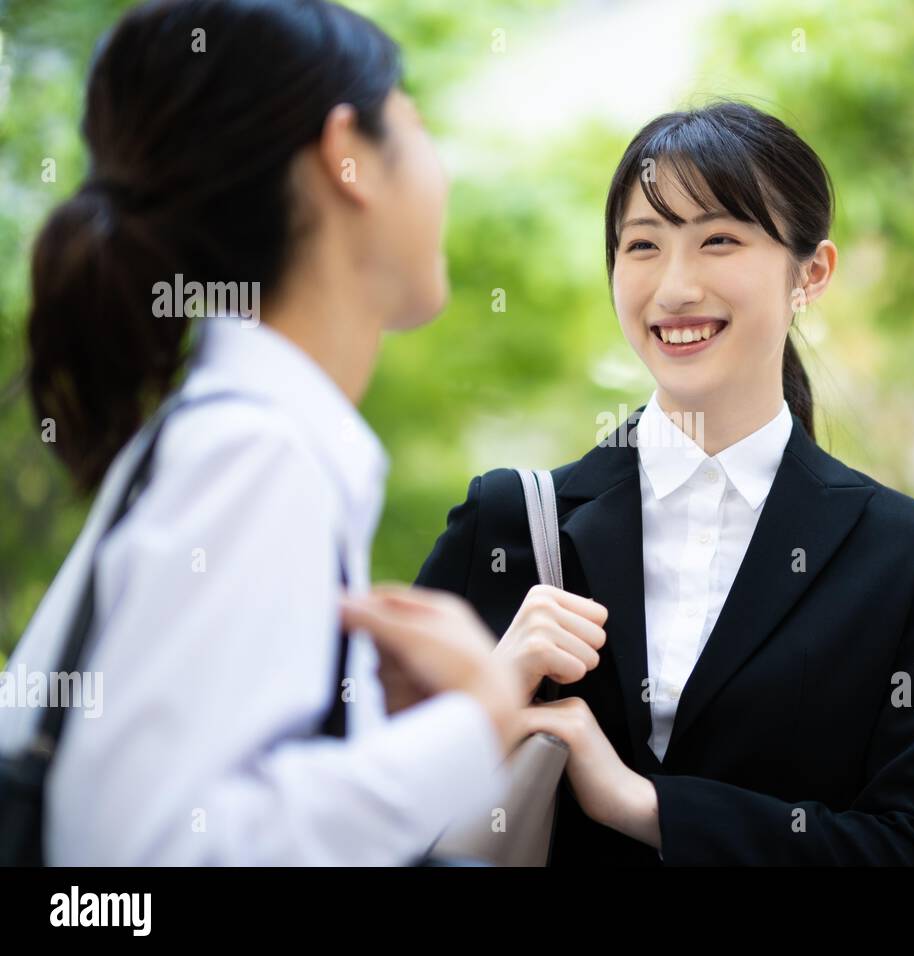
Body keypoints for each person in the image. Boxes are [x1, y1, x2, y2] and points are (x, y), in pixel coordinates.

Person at [0, 0, 558, 866]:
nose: (439, 173)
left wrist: (373, 727)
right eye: (411, 123)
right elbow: (133, 864)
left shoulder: (224, 437)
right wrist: (476, 722)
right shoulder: (255, 453)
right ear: (348, 155)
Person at [416, 101, 914, 865]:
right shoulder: (510, 523)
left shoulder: (902, 553)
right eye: (642, 245)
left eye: (718, 240)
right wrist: (496, 684)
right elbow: (357, 799)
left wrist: (647, 806)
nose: (674, 288)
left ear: (810, 274)